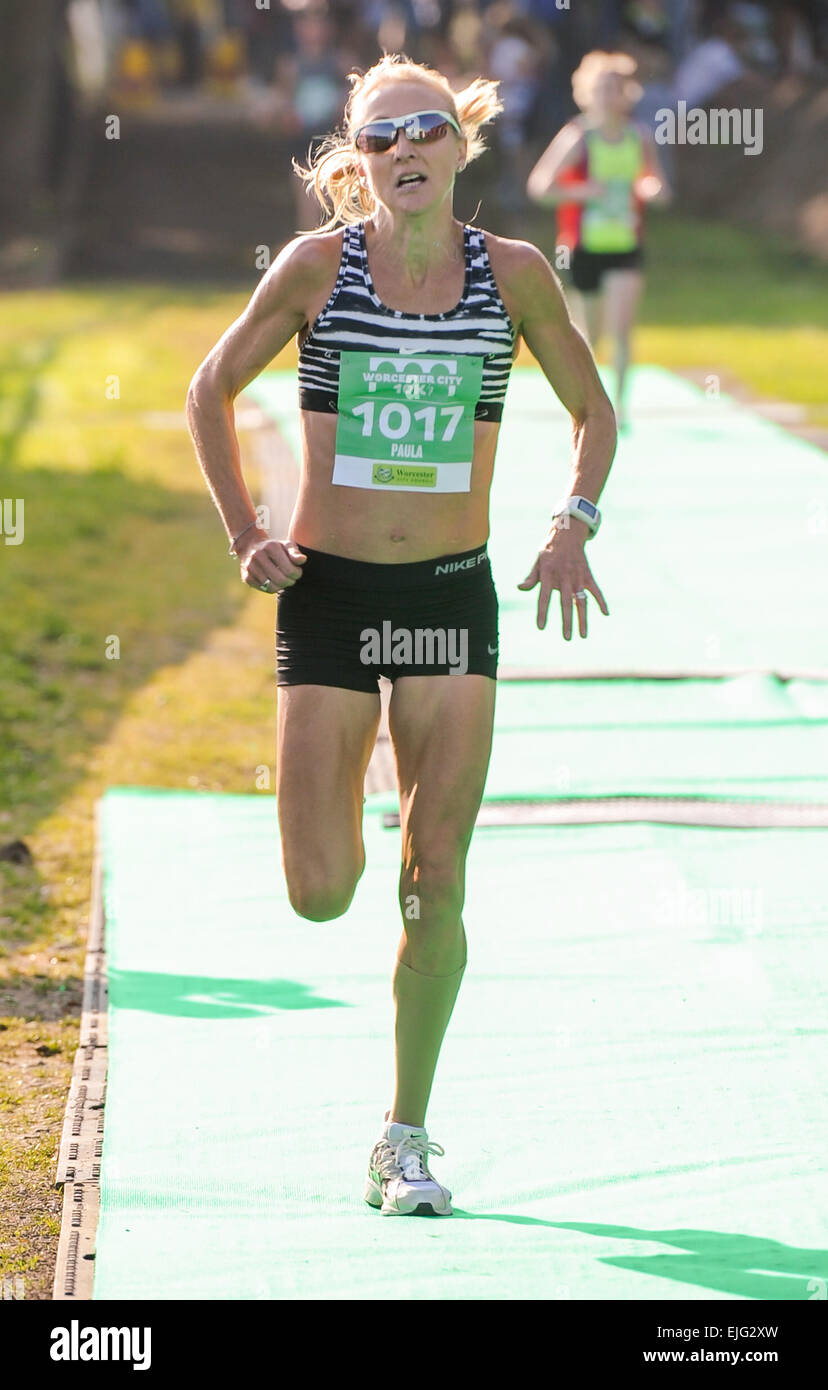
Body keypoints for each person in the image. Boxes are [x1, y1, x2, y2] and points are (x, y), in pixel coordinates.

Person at [186, 52, 616, 1217]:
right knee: (323, 893)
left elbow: (594, 410)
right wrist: (246, 531)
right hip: (329, 599)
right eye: (379, 138)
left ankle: (404, 1133)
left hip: (448, 602)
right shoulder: (316, 268)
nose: (404, 150)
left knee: (438, 880)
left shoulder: (515, 276)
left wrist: (573, 521)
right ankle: (358, 775)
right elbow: (208, 387)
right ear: (355, 162)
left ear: (459, 146)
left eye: (425, 129)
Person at [526, 50, 671, 429]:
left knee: (622, 329)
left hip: (625, 245)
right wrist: (586, 191)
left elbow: (652, 180)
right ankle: (585, 406)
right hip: (582, 246)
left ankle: (619, 407)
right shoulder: (578, 136)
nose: (609, 96)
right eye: (601, 88)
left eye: (616, 88)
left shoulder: (638, 136)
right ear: (587, 93)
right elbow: (541, 187)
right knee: (590, 334)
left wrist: (651, 190)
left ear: (627, 93)